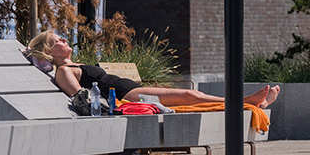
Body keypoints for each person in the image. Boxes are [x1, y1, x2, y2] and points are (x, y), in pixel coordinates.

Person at [26, 31, 279, 114]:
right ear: (49, 50)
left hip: (128, 89)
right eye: (57, 40)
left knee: (191, 95)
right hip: (126, 96)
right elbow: (81, 97)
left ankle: (248, 103)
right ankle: (245, 103)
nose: (64, 39)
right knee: (189, 95)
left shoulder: (75, 64)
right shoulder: (63, 71)